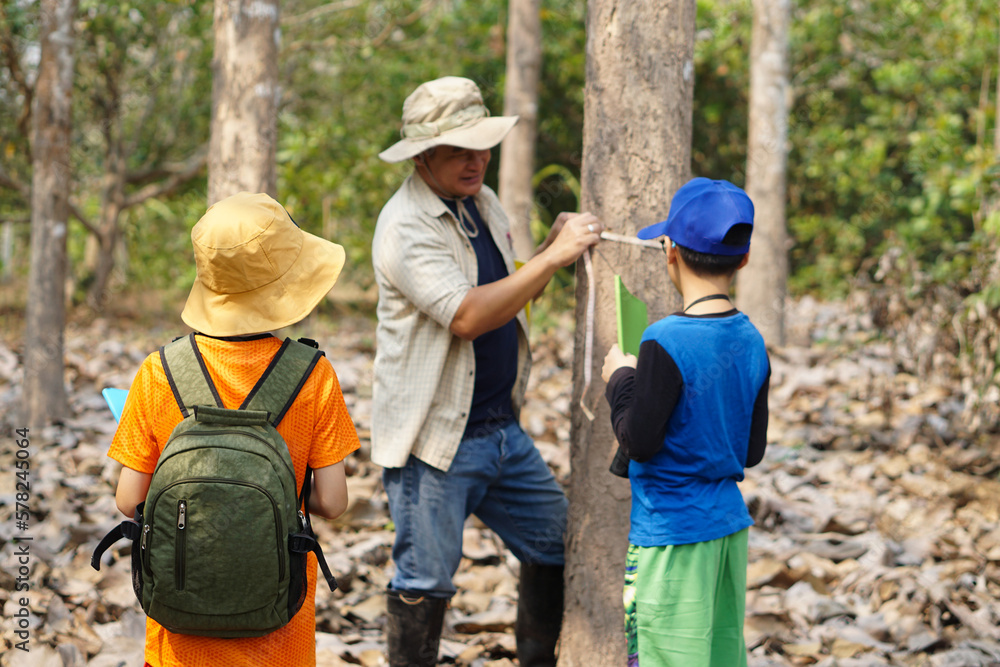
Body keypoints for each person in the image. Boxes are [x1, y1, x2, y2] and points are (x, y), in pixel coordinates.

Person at [371, 76, 602, 667]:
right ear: (424, 155)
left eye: (482, 146)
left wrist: (547, 248)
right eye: (459, 150)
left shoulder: (481, 203)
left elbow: (507, 290)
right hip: (436, 442)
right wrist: (554, 256)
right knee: (424, 582)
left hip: (500, 431)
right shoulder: (406, 225)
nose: (477, 160)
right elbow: (468, 314)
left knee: (556, 547)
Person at [108, 192, 360, 667]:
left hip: (178, 639)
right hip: (278, 636)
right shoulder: (313, 375)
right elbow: (332, 502)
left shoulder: (159, 371)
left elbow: (128, 501)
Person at [601, 178, 770, 667]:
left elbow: (639, 440)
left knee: (664, 657)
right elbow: (751, 451)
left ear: (669, 250)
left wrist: (621, 379)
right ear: (744, 257)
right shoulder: (752, 338)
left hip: (671, 537)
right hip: (726, 532)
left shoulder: (663, 339)